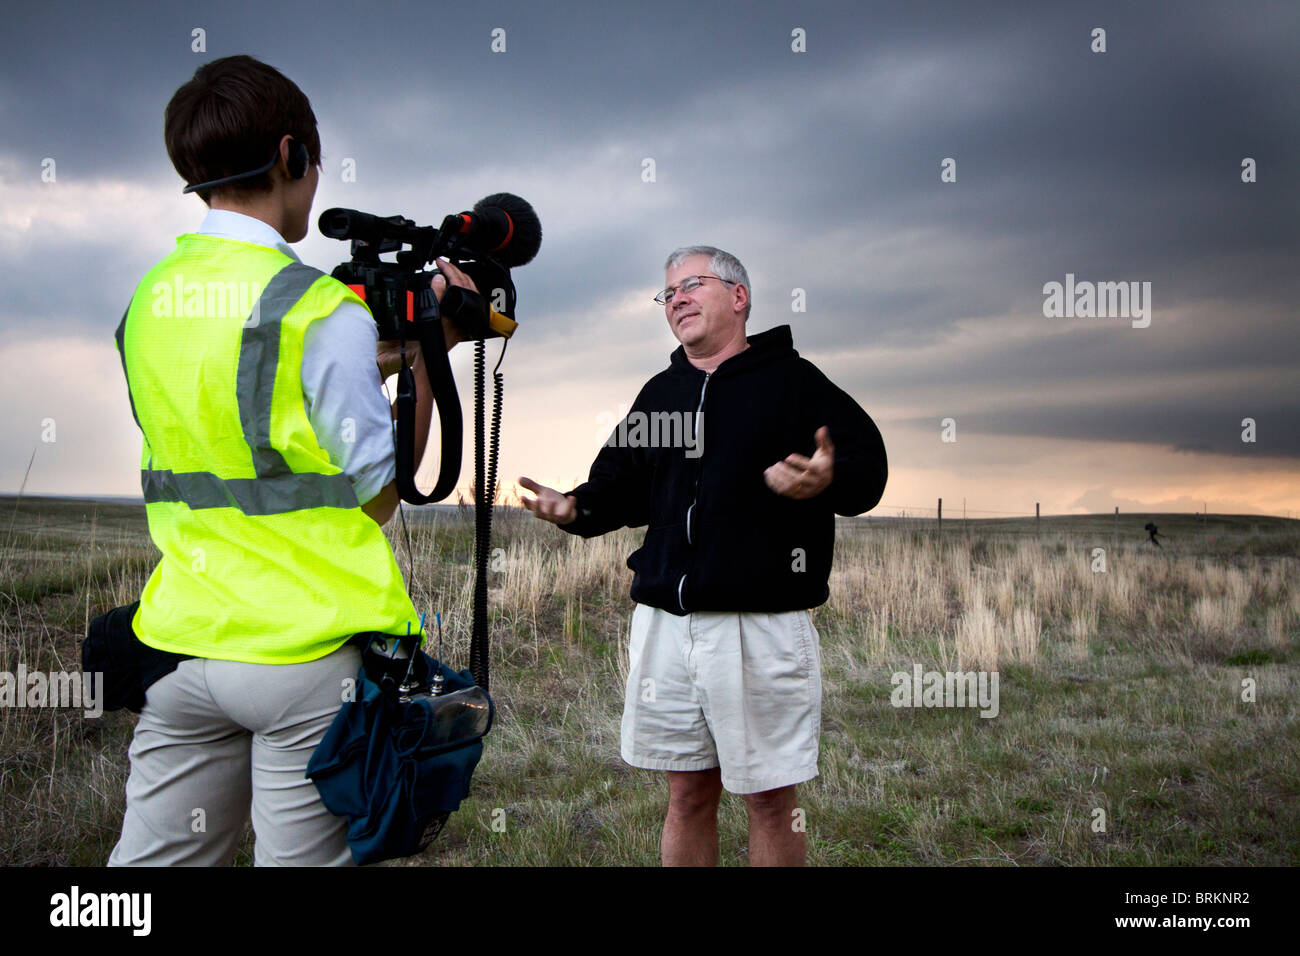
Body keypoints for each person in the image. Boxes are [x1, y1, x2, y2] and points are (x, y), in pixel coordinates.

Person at [108, 55, 477, 866]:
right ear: (291, 155)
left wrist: (366, 360)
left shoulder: (148, 302)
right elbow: (379, 495)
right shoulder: (315, 306)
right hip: (302, 656)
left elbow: (239, 428)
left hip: (181, 641)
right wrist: (426, 356)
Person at [519, 246, 888, 865]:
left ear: (739, 297)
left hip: (758, 624)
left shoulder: (794, 384)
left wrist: (828, 479)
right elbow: (619, 486)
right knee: (687, 794)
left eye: (692, 285)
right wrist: (575, 508)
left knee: (769, 799)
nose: (677, 300)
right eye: (668, 294)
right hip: (666, 624)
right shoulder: (660, 393)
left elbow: (865, 469)